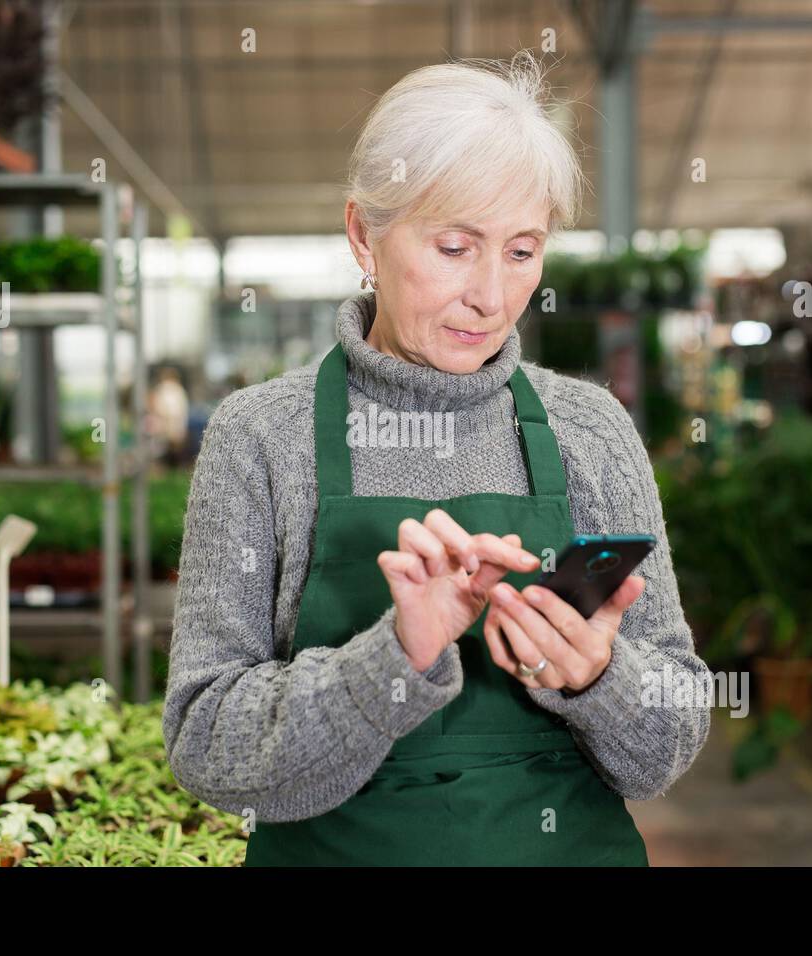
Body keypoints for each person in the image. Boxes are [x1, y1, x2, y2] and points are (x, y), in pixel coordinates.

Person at [163, 51, 712, 866]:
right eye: (455, 247)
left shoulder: (589, 428)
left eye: (522, 251)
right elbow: (206, 745)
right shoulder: (261, 438)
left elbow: (670, 738)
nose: (490, 295)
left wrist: (599, 676)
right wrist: (394, 659)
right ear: (364, 234)